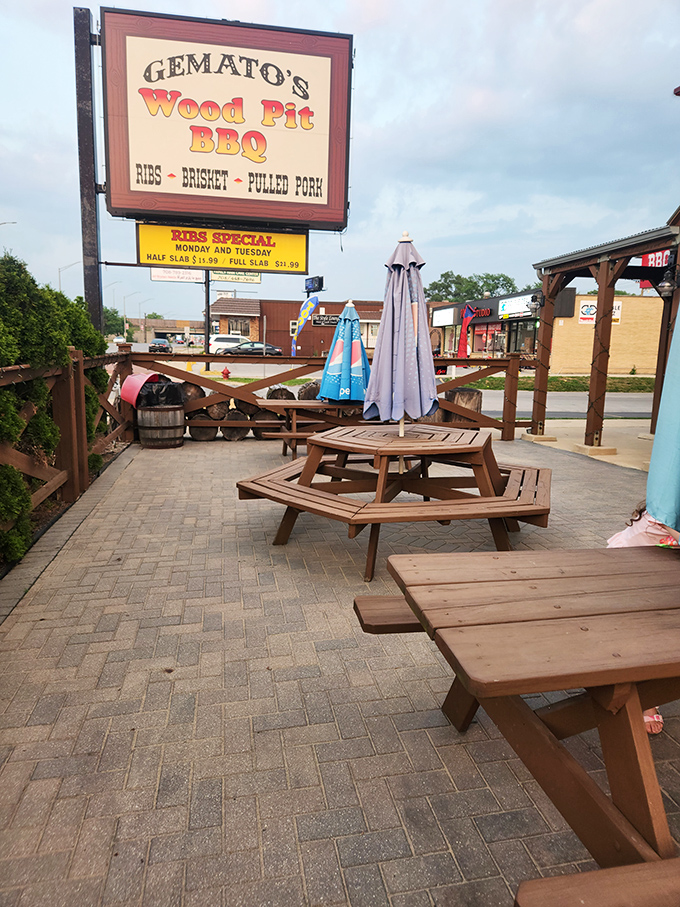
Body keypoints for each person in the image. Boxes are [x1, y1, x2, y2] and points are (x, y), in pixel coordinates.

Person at [607, 502, 679, 734]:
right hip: (624, 574)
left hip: (652, 573)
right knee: (648, 636)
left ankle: (645, 689)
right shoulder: (666, 507)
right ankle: (646, 699)